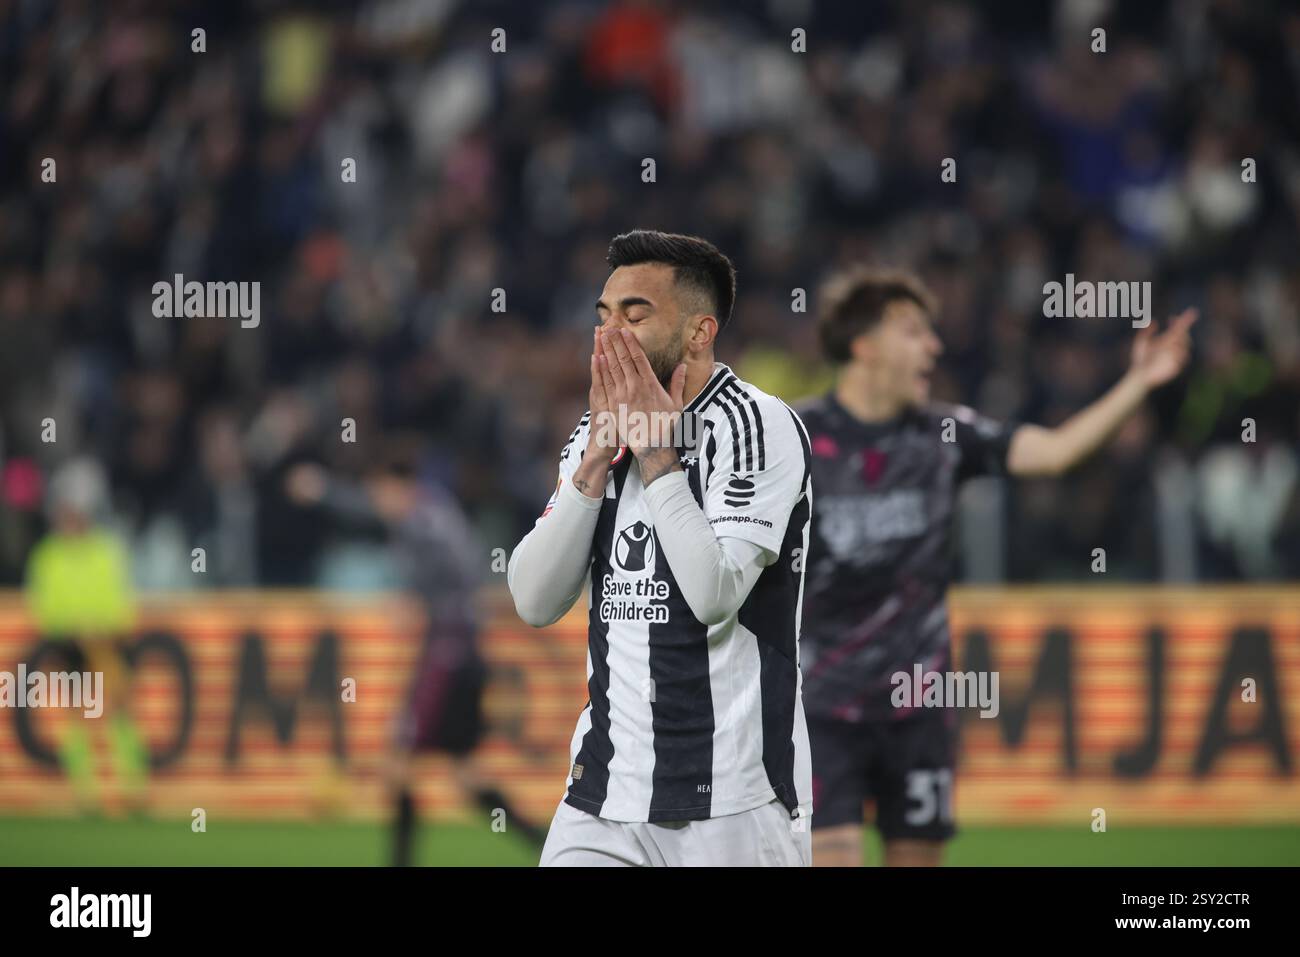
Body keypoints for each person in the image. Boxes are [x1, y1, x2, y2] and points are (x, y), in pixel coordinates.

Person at [796, 266, 1197, 866]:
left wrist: (1138, 382)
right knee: (833, 856)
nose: (934, 347)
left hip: (919, 707)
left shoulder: (944, 433)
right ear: (863, 345)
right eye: (914, 332)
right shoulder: (795, 436)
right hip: (823, 707)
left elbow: (1056, 452)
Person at [508, 229, 814, 866]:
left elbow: (714, 595)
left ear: (700, 332)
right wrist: (597, 458)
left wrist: (654, 453)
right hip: (602, 795)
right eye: (603, 315)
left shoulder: (756, 424)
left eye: (634, 314)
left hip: (732, 798)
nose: (608, 334)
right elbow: (534, 601)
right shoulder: (592, 433)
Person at [286, 449, 545, 865]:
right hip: (464, 655)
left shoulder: (422, 522)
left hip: (447, 656)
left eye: (380, 492)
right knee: (466, 774)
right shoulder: (435, 514)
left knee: (398, 761)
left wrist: (322, 492)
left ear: (398, 486)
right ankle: (546, 845)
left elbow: (460, 577)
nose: (377, 502)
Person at [24, 457, 148, 813]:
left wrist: (102, 627)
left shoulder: (106, 551)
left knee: (120, 710)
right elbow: (45, 610)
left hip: (106, 643)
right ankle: (86, 793)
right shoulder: (47, 556)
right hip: (70, 646)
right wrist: (75, 627)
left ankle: (133, 789)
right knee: (77, 716)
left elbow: (122, 604)